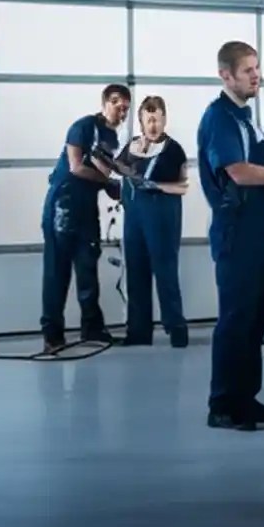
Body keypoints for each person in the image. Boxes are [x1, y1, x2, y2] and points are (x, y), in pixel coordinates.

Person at [198, 40, 264, 431]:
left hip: (258, 229)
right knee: (237, 318)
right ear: (226, 75)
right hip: (236, 230)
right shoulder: (220, 118)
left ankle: (246, 398)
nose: (256, 76)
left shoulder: (246, 116)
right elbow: (239, 171)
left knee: (256, 318)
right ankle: (222, 404)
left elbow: (261, 157)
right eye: (247, 71)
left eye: (257, 68)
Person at [40, 84, 131, 353]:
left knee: (87, 269)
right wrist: (110, 183)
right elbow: (77, 166)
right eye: (118, 105)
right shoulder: (83, 127)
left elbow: (107, 172)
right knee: (58, 272)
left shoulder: (111, 139)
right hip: (63, 206)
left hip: (86, 209)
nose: (122, 112)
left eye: (126, 108)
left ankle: (92, 327)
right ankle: (52, 334)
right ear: (106, 103)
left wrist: (122, 186)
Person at [115, 96, 190, 348]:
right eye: (148, 120)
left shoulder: (173, 150)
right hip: (134, 216)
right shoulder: (131, 147)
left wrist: (157, 185)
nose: (153, 125)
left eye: (157, 119)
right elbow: (120, 172)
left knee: (165, 270)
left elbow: (183, 187)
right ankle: (138, 331)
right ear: (141, 122)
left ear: (165, 119)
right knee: (135, 271)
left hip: (162, 214)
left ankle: (176, 327)